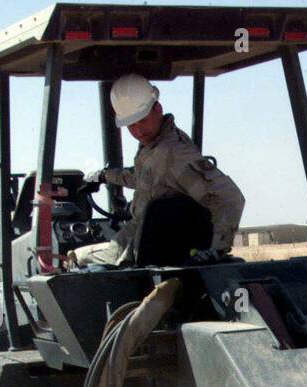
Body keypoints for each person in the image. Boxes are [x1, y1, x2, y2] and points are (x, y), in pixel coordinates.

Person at [71, 74, 245, 267]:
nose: (138, 131)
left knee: (73, 259)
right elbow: (140, 176)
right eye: (131, 125)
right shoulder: (155, 147)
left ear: (158, 109)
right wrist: (104, 176)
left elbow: (230, 196)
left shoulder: (174, 154)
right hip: (143, 243)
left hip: (140, 250)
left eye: (142, 121)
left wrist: (216, 250)